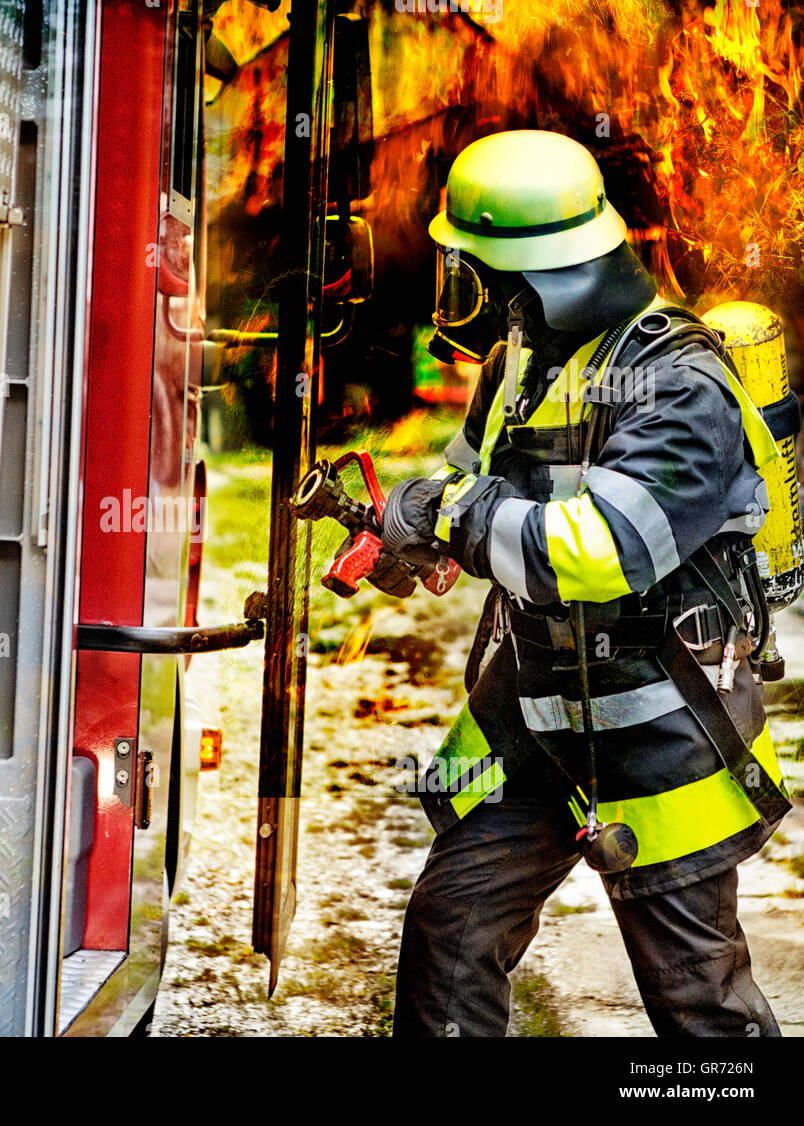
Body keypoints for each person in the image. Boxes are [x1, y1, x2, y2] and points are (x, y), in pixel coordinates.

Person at [374, 129, 793, 1037]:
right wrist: (415, 541)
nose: (463, 291)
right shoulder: (524, 354)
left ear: (522, 270)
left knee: (697, 1003)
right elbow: (475, 484)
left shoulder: (679, 380)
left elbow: (603, 546)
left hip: (656, 729)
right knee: (451, 930)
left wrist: (452, 518)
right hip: (535, 713)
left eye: (470, 268)